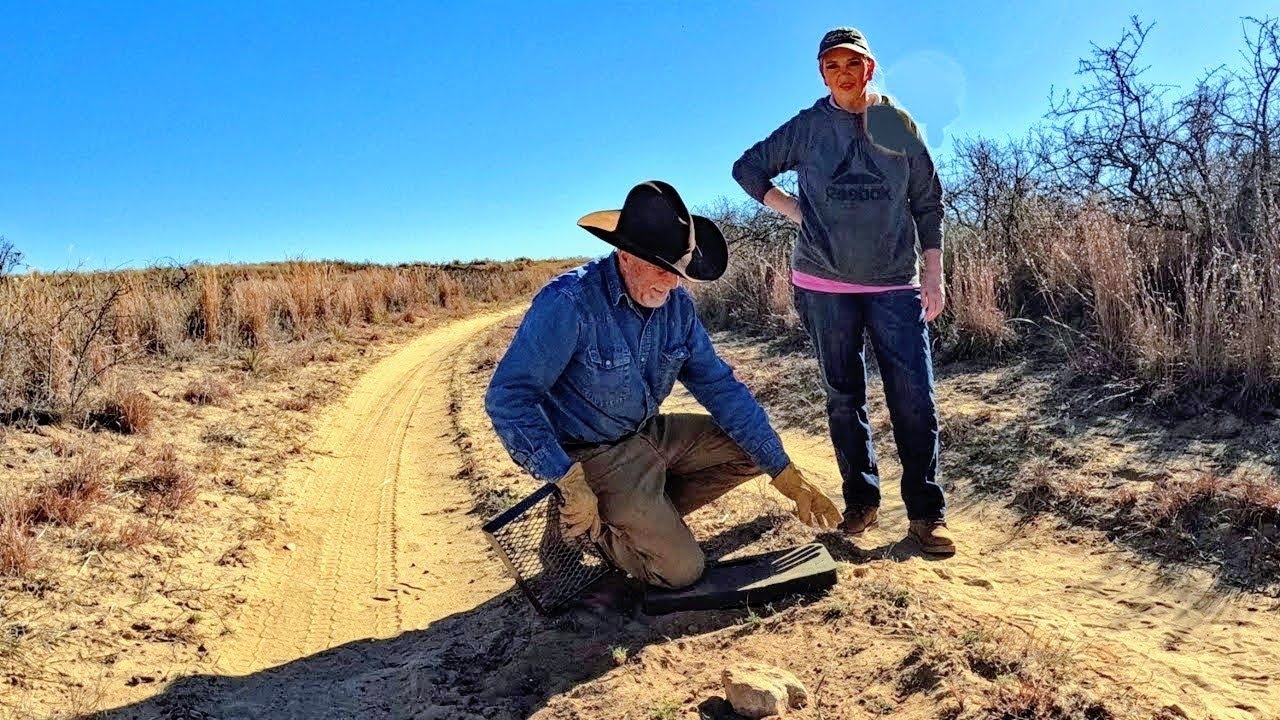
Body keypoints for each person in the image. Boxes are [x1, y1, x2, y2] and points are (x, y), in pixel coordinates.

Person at [485, 180, 841, 591]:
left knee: (753, 453)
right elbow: (508, 398)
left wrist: (784, 471)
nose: (672, 284)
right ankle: (591, 528)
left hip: (649, 434)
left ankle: (638, 514)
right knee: (681, 572)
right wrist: (567, 478)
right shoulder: (569, 304)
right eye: (661, 269)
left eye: (680, 271)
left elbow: (721, 388)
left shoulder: (678, 308)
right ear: (624, 253)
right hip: (594, 453)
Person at [731, 27, 954, 554]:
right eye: (832, 66)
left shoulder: (896, 124)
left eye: (852, 64)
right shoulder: (809, 127)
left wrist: (933, 272)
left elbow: (927, 201)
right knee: (843, 395)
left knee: (914, 397)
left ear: (869, 69)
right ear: (822, 73)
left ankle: (926, 514)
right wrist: (792, 211)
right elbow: (748, 168)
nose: (843, 74)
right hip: (822, 282)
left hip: (895, 283)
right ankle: (861, 502)